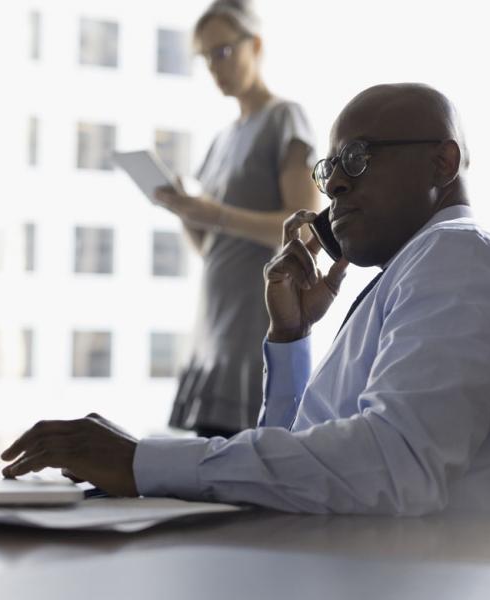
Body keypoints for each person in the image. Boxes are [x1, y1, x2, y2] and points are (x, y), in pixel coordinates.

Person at [1, 83, 490, 515]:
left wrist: (140, 460)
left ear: (442, 163)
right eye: (330, 166)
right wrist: (291, 339)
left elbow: (392, 470)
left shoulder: (460, 260)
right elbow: (307, 462)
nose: (333, 185)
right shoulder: (419, 269)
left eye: (357, 158)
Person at [153, 0, 320, 438]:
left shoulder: (285, 118)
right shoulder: (223, 138)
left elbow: (304, 227)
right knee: (208, 455)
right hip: (215, 324)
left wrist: (217, 214)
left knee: (242, 458)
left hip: (253, 320)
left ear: (256, 45)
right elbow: (210, 249)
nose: (214, 66)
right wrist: (185, 211)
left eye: (223, 51)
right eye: (206, 57)